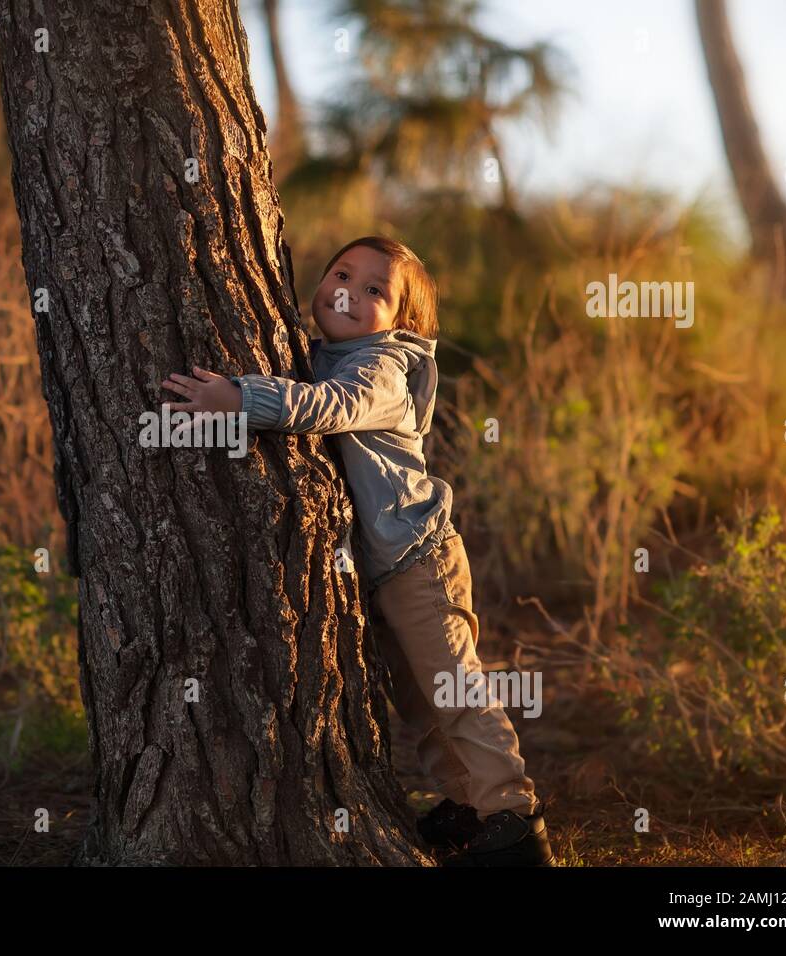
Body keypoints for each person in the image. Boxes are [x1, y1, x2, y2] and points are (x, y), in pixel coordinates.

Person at [161, 235, 553, 866]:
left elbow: (334, 408)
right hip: (389, 570)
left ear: (403, 324)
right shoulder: (328, 354)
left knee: (454, 688)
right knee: (419, 701)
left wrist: (241, 398)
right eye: (342, 273)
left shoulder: (381, 367)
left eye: (376, 290)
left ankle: (512, 817)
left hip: (420, 561)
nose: (351, 290)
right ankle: (467, 804)